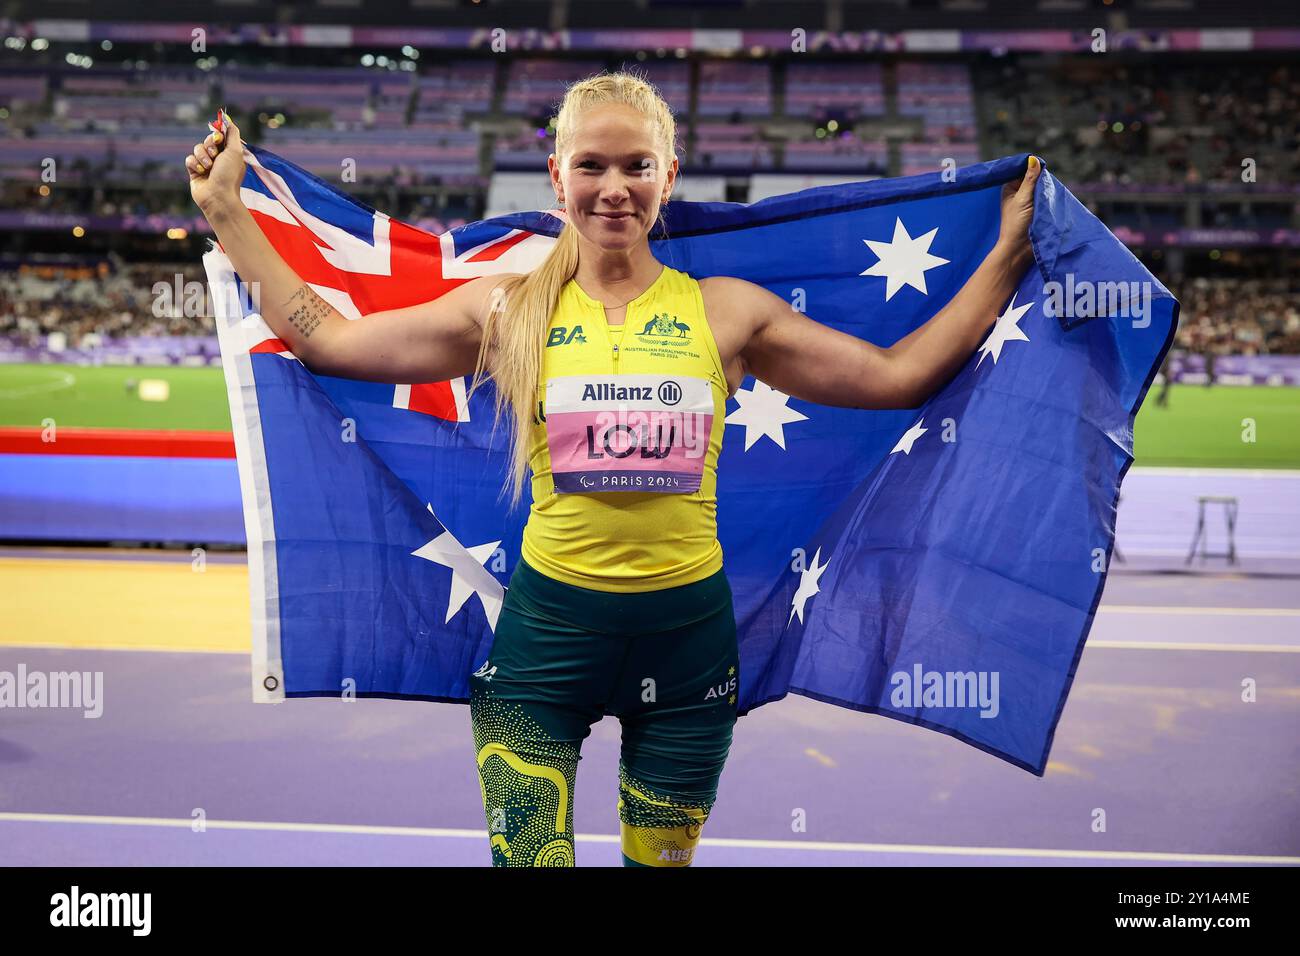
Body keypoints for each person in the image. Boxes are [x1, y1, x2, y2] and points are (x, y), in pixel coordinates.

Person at [187, 72, 1040, 868]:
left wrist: (1003, 256)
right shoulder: (508, 309)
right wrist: (228, 214)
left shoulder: (728, 314)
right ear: (557, 179)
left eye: (637, 166)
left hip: (689, 656)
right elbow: (326, 339)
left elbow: (897, 377)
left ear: (669, 175)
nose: (614, 187)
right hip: (544, 647)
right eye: (591, 166)